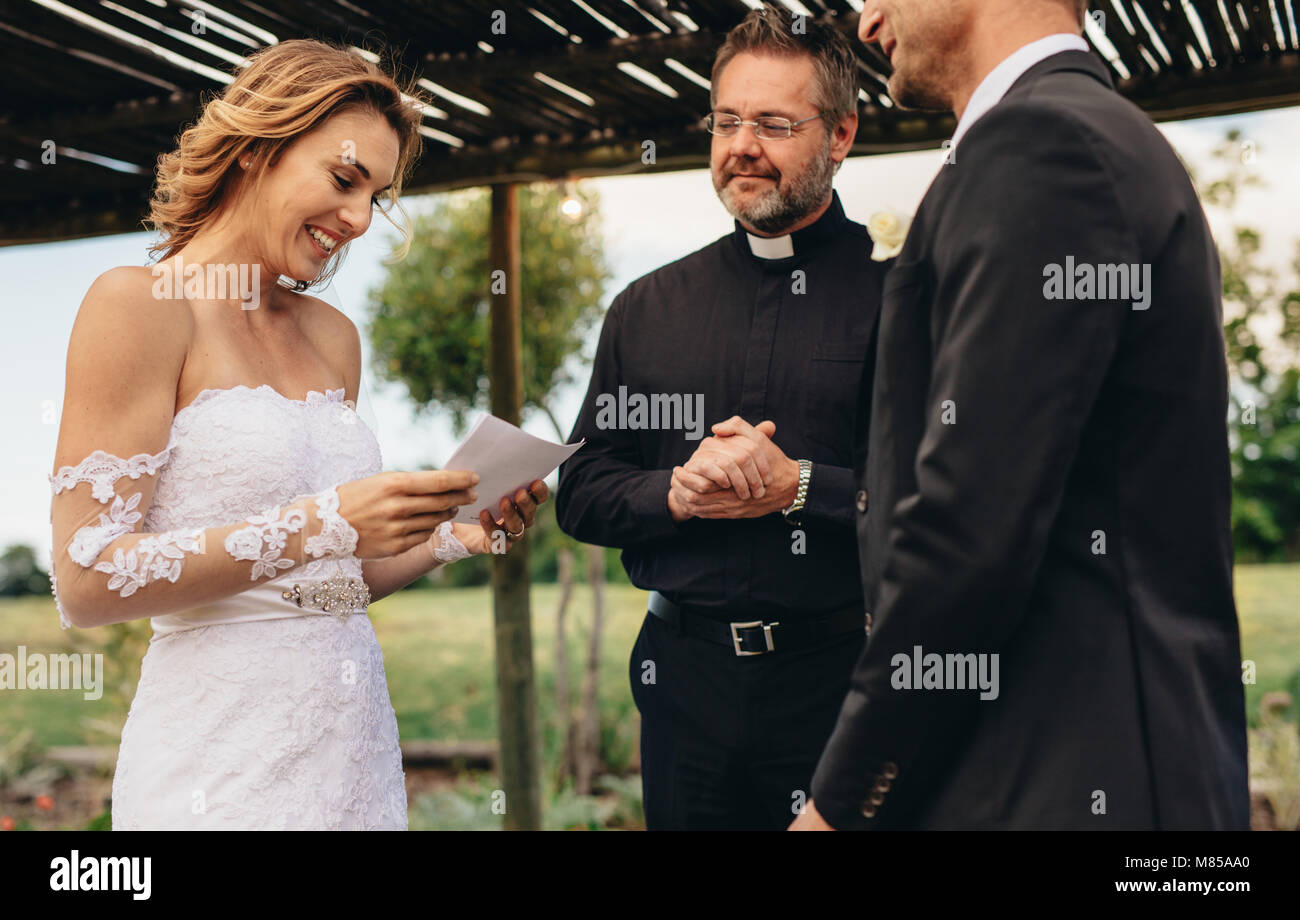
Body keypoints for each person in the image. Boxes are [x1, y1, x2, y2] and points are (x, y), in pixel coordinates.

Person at [47, 39, 548, 830]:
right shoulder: (139, 306)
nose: (359, 220)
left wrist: (454, 535)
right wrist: (326, 520)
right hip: (218, 765)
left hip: (352, 754)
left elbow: (328, 582)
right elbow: (85, 580)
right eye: (345, 180)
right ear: (257, 150)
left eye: (376, 197)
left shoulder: (333, 338)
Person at [792, 0, 1249, 830]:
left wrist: (838, 806)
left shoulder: (1043, 145)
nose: (868, 21)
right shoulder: (1097, 136)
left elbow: (968, 527)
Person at [556, 7, 889, 830]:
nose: (742, 145)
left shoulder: (903, 295)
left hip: (843, 691)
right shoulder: (646, 307)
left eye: (774, 124)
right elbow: (582, 490)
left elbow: (945, 502)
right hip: (682, 693)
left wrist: (799, 486)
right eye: (727, 120)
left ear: (841, 134)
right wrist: (674, 492)